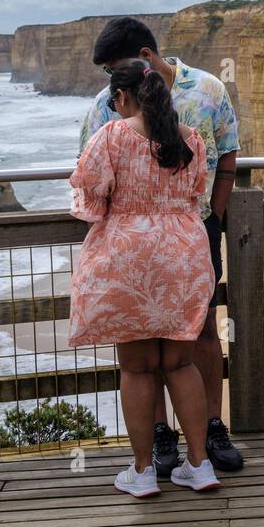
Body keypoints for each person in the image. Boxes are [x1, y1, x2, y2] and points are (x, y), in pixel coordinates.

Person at [82, 17, 244, 475]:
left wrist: (214, 211)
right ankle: (163, 439)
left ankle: (211, 429)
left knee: (198, 332)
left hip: (187, 230)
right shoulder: (103, 104)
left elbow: (229, 149)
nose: (109, 82)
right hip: (178, 234)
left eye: (114, 70)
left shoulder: (208, 89)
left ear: (145, 57)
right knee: (155, 341)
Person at [68, 60, 218, 495]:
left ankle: (143, 471)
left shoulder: (112, 136)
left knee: (136, 369)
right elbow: (196, 196)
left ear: (121, 97)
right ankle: (200, 464)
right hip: (183, 255)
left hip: (129, 259)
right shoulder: (191, 138)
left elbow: (89, 199)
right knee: (180, 363)